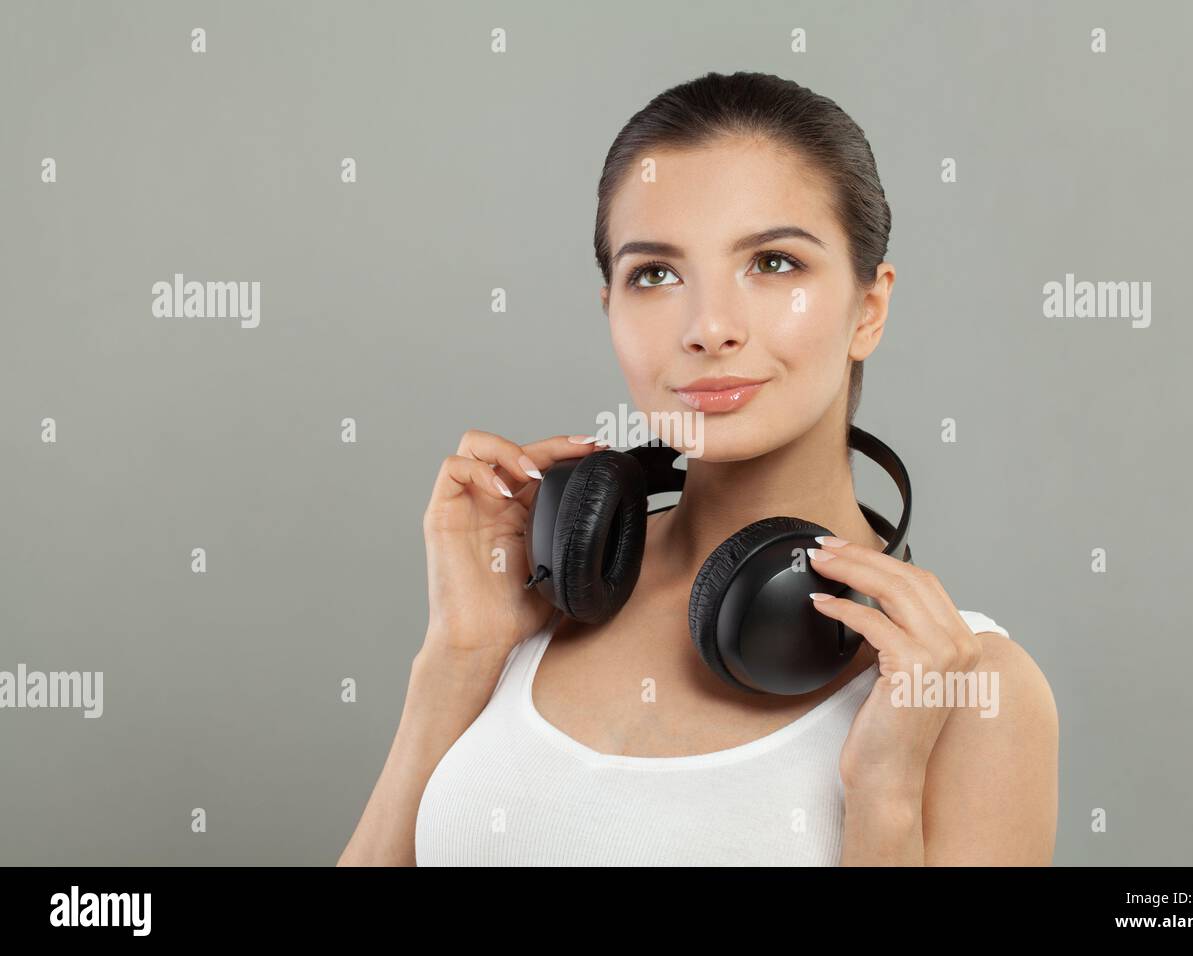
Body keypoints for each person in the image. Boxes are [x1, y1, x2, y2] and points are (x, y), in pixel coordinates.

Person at [339, 71, 1058, 866]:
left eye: (775, 263)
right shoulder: (536, 596)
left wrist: (883, 794)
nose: (709, 327)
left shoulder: (969, 688)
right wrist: (459, 657)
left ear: (869, 308)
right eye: (655, 274)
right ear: (609, 308)